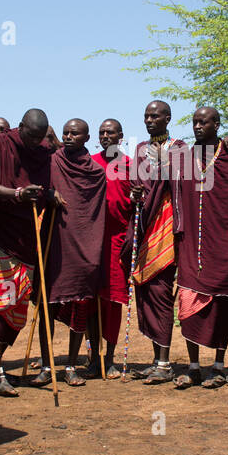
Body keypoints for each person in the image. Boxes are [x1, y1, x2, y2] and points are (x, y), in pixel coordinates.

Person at [0, 109, 61, 396]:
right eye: (32, 136)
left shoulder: (42, 152)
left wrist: (48, 195)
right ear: (20, 127)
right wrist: (17, 194)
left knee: (14, 311)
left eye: (41, 137)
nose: (36, 142)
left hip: (26, 242)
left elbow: (47, 180)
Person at [169, 106, 228, 389]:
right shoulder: (184, 158)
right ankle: (192, 367)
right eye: (195, 122)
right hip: (190, 243)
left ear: (217, 124)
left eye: (204, 122)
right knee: (189, 303)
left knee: (222, 305)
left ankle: (218, 365)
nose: (198, 126)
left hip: (224, 244)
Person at [42, 118, 107, 387]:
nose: (68, 137)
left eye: (75, 134)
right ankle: (46, 366)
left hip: (83, 249)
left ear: (86, 138)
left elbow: (94, 215)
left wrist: (93, 248)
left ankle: (70, 365)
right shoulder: (52, 161)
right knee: (48, 306)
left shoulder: (95, 172)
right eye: (66, 133)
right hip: (54, 244)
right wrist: (49, 193)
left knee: (79, 307)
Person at [130, 100, 184, 382]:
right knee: (148, 293)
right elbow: (134, 186)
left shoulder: (179, 148)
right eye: (146, 116)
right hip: (145, 230)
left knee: (162, 295)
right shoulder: (139, 151)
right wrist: (135, 196)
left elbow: (188, 187)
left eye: (155, 116)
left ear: (168, 118)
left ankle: (164, 364)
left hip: (170, 229)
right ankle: (156, 360)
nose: (149, 120)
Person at [92, 118, 132, 378]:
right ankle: (93, 358)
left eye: (110, 132)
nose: (106, 136)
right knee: (93, 300)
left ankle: (110, 357)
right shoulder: (91, 162)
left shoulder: (131, 165)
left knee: (114, 300)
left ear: (120, 136)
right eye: (102, 133)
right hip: (92, 240)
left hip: (119, 240)